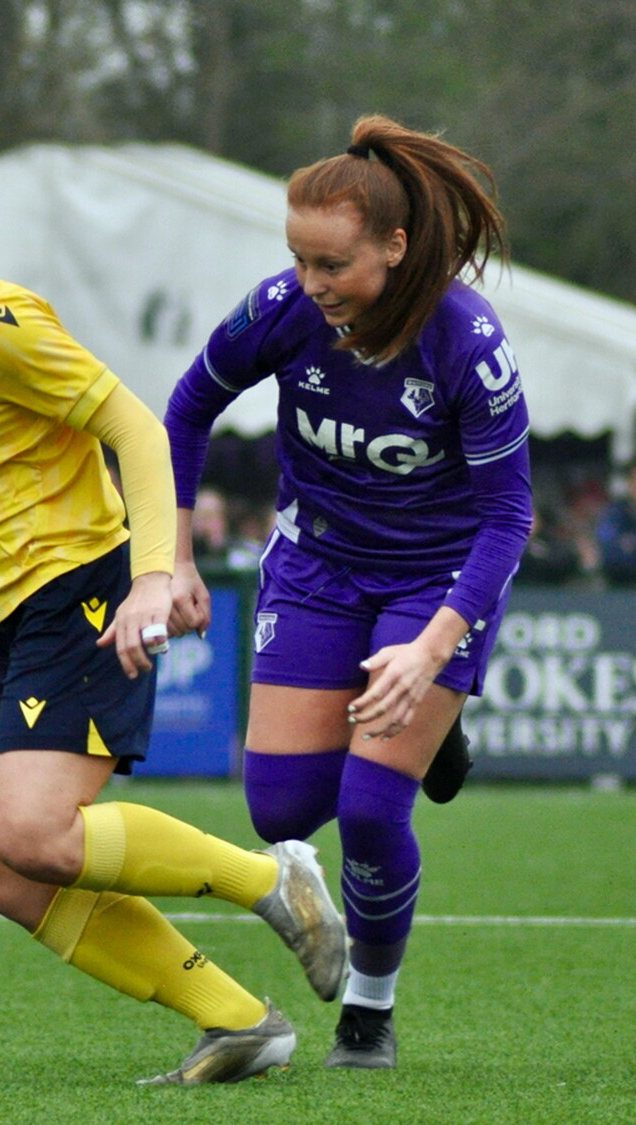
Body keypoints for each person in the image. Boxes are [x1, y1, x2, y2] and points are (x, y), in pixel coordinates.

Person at [0, 100, 347, 1086]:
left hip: (75, 587)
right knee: (1, 871)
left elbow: (134, 427)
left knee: (33, 830)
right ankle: (239, 1022)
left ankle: (272, 878)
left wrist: (154, 575)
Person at [166, 115, 530, 1068]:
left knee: (371, 807)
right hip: (318, 564)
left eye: (331, 264)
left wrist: (432, 647)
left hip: (436, 579)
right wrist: (176, 555)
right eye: (298, 258)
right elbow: (188, 407)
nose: (310, 282)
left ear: (395, 247)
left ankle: (369, 1010)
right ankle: (429, 737)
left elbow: (509, 517)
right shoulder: (284, 308)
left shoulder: (468, 343)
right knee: (278, 809)